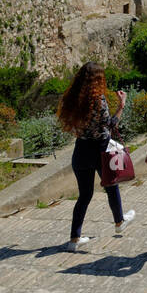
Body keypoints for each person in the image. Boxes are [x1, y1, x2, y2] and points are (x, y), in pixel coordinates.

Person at [57, 62, 135, 251]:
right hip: (100, 150)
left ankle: (74, 239)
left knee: (84, 195)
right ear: (99, 79)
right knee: (111, 184)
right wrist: (122, 105)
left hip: (81, 150)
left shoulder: (73, 98)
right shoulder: (98, 100)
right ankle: (119, 221)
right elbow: (110, 124)